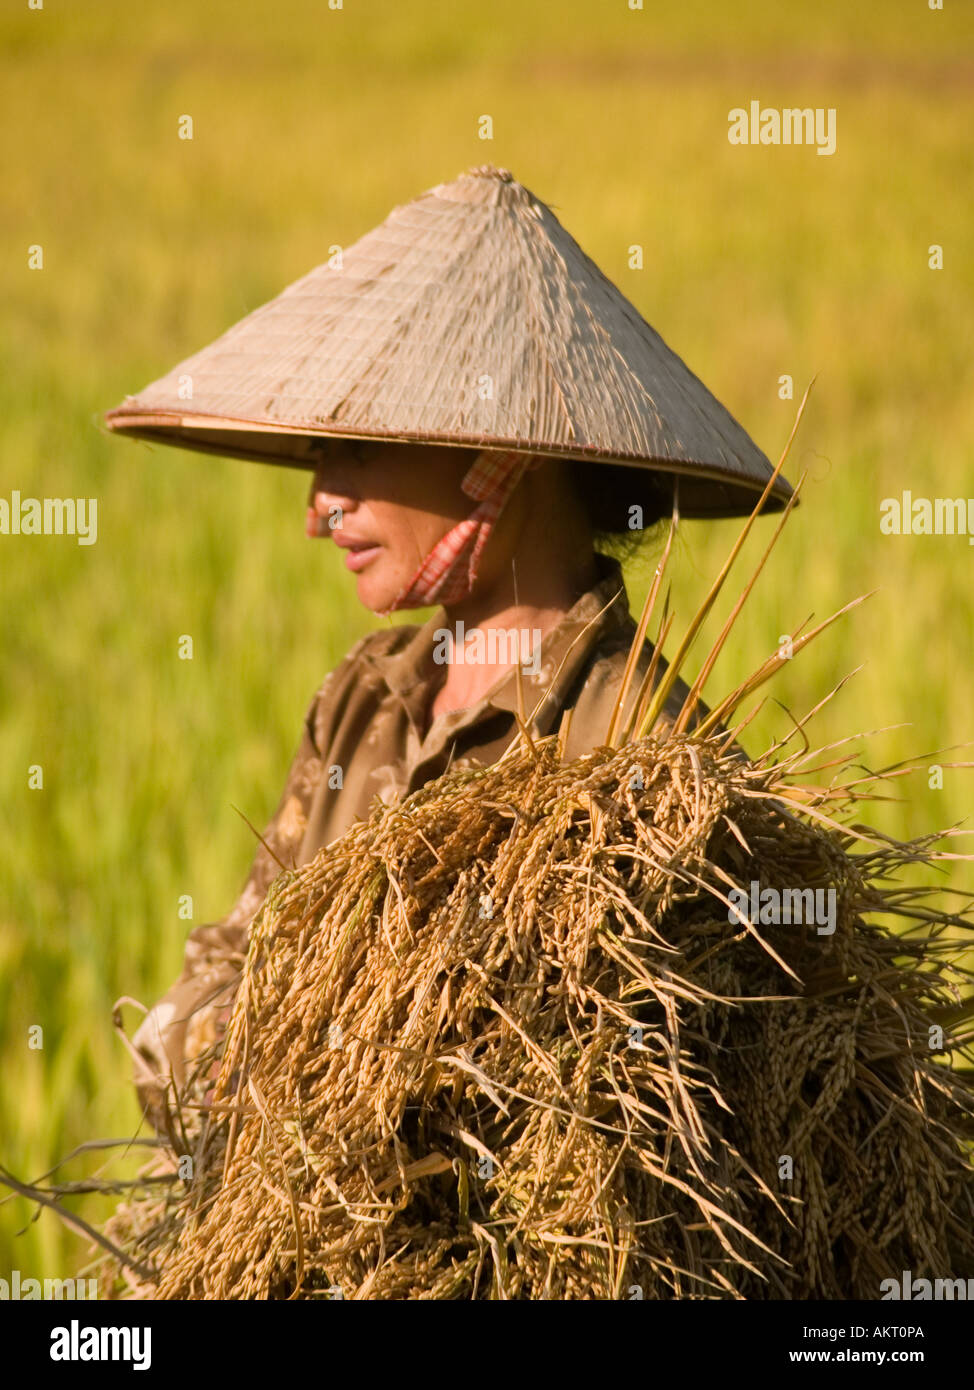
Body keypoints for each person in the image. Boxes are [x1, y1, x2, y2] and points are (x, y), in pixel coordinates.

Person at [107, 165, 792, 1133]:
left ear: (495, 457)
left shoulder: (647, 753)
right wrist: (261, 1079)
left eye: (349, 451)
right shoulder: (364, 699)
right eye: (314, 462)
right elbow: (228, 963)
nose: (318, 511)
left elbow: (636, 1112)